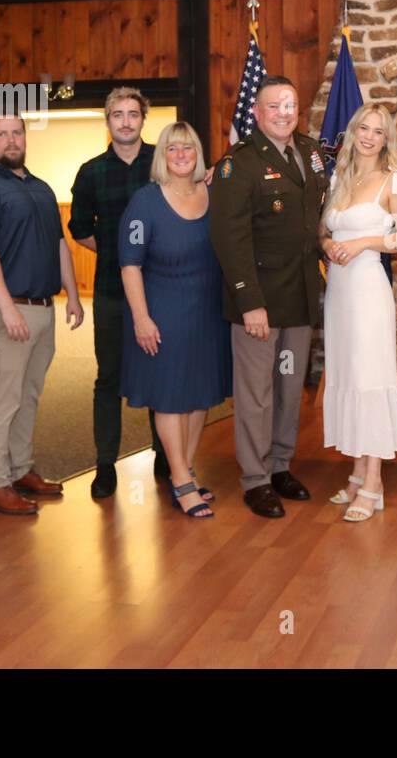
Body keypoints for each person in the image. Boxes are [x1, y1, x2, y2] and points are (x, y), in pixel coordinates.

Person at [210, 76, 330, 519]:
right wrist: (249, 303)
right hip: (259, 303)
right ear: (256, 113)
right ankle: (255, 478)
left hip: (298, 298)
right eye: (274, 106)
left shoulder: (312, 153)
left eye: (290, 105)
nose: (284, 112)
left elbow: (313, 218)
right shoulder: (237, 164)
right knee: (256, 393)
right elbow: (229, 238)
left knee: (288, 386)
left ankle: (280, 464)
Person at [0, 114, 83, 516]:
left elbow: (60, 244)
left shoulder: (40, 188)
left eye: (17, 132)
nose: (11, 140)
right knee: (3, 396)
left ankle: (19, 468)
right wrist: (8, 307)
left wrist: (73, 294)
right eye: (1, 134)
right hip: (5, 312)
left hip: (42, 309)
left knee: (27, 395)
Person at [119, 122, 228, 519]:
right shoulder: (145, 203)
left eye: (188, 148)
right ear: (161, 156)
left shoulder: (213, 193)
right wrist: (141, 318)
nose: (181, 155)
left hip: (208, 314)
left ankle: (187, 470)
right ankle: (180, 481)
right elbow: (129, 265)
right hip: (162, 314)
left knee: (200, 396)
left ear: (198, 153)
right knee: (171, 397)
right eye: (172, 149)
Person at [68, 87, 169, 498]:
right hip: (111, 292)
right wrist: (115, 252)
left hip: (160, 291)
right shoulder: (91, 172)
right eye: (117, 115)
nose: (125, 121)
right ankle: (105, 464)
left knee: (159, 376)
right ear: (107, 121)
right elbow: (78, 229)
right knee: (108, 377)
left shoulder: (162, 165)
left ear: (143, 119)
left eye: (133, 114)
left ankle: (166, 455)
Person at [319, 105, 397, 522]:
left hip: (367, 292)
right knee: (346, 376)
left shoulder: (396, 180)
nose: (370, 136)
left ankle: (374, 483)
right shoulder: (340, 178)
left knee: (370, 378)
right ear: (353, 131)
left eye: (379, 131)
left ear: (386, 137)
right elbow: (325, 231)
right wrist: (328, 246)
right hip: (338, 292)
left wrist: (361, 245)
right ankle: (357, 473)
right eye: (364, 128)